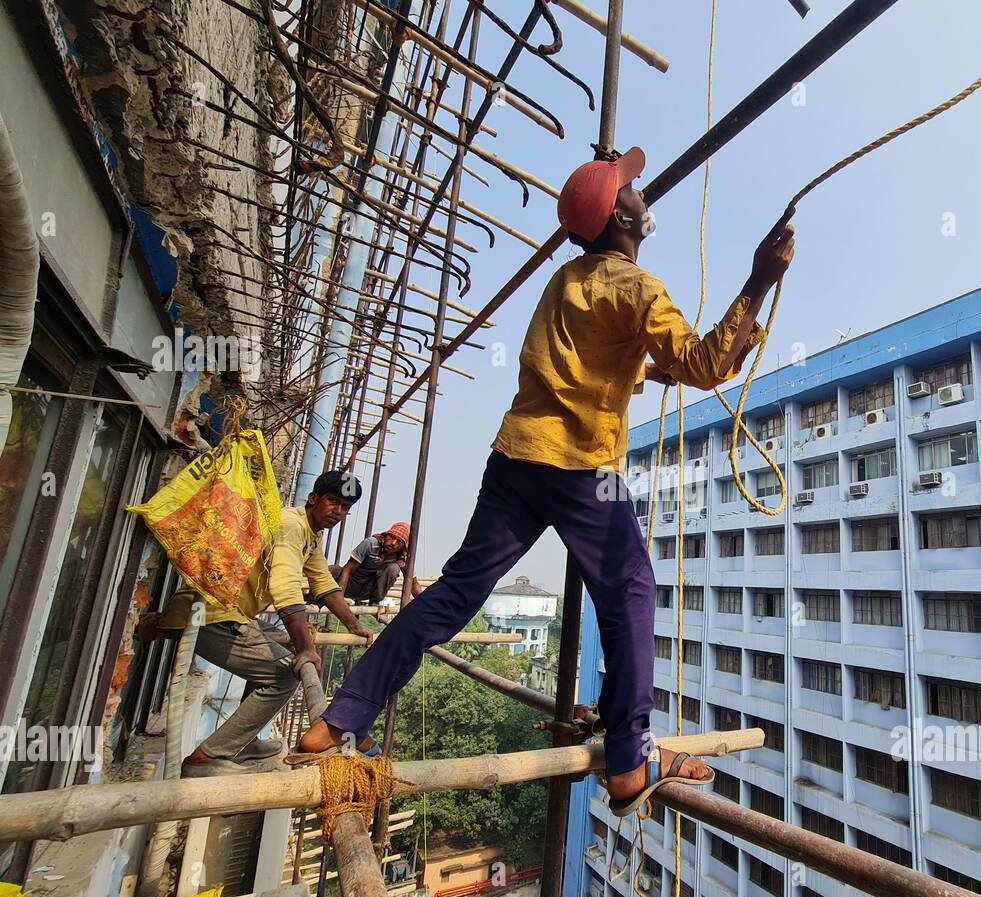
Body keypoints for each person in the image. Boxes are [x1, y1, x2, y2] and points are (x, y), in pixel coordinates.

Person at [300, 146, 795, 812]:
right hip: (582, 468)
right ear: (622, 214)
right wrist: (759, 279)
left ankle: (339, 715)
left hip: (515, 459)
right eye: (632, 190)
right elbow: (703, 365)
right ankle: (629, 758)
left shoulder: (564, 281)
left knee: (453, 593)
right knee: (631, 590)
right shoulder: (638, 289)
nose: (643, 196)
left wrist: (662, 366)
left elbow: (618, 363)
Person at [159, 469, 376, 776]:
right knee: (285, 675)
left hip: (224, 613)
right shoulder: (290, 525)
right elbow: (286, 587)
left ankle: (245, 744)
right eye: (332, 501)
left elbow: (323, 583)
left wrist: (355, 626)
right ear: (313, 499)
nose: (338, 511)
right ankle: (207, 757)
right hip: (212, 614)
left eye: (345, 507)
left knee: (274, 646)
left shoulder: (309, 535)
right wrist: (306, 649)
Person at [331, 521, 421, 604]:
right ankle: (318, 599)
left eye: (399, 541)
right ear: (386, 535)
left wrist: (425, 603)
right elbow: (348, 569)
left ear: (403, 546)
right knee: (332, 569)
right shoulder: (371, 544)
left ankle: (375, 602)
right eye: (392, 537)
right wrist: (339, 597)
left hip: (369, 591)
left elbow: (413, 584)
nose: (393, 543)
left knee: (393, 568)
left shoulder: (402, 558)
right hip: (350, 584)